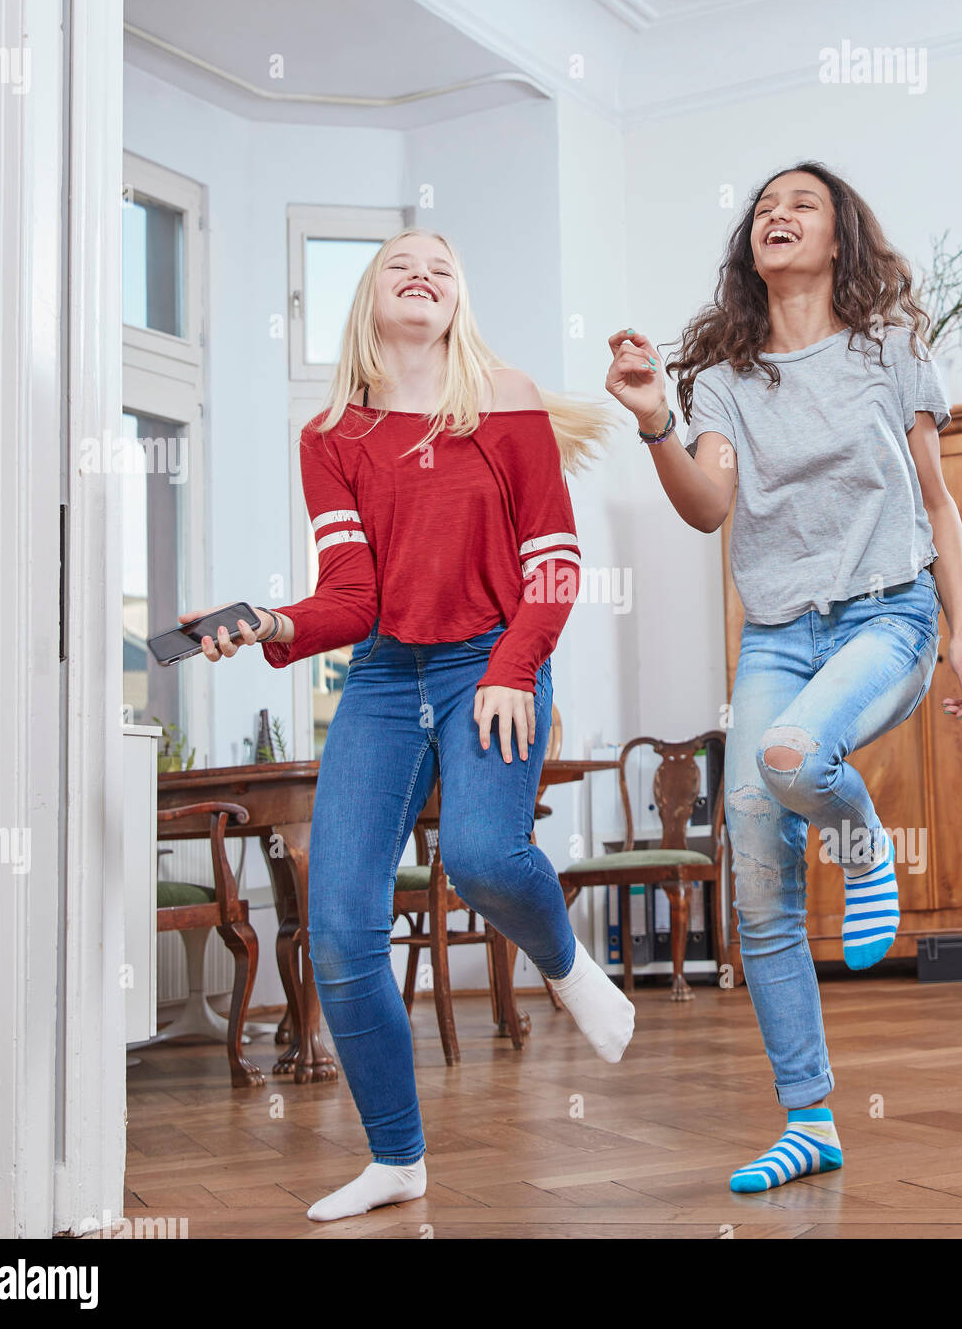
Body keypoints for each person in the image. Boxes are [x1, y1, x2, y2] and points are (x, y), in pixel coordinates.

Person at [180, 229, 630, 1221]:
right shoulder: (330, 436)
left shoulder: (503, 401)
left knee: (480, 854)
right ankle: (396, 1159)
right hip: (385, 678)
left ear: (456, 299)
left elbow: (553, 565)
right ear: (368, 301)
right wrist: (270, 622)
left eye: (441, 267)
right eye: (401, 266)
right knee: (339, 931)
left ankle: (564, 964)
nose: (423, 275)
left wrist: (515, 669)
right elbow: (350, 596)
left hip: (488, 657)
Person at [604, 162, 962, 1194]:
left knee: (785, 755)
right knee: (761, 877)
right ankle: (809, 1117)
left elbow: (937, 501)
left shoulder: (892, 351)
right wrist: (655, 423)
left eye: (801, 204)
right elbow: (706, 506)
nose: (777, 214)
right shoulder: (725, 380)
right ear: (751, 247)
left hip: (888, 613)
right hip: (777, 634)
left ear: (839, 236)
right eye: (764, 206)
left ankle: (862, 841)